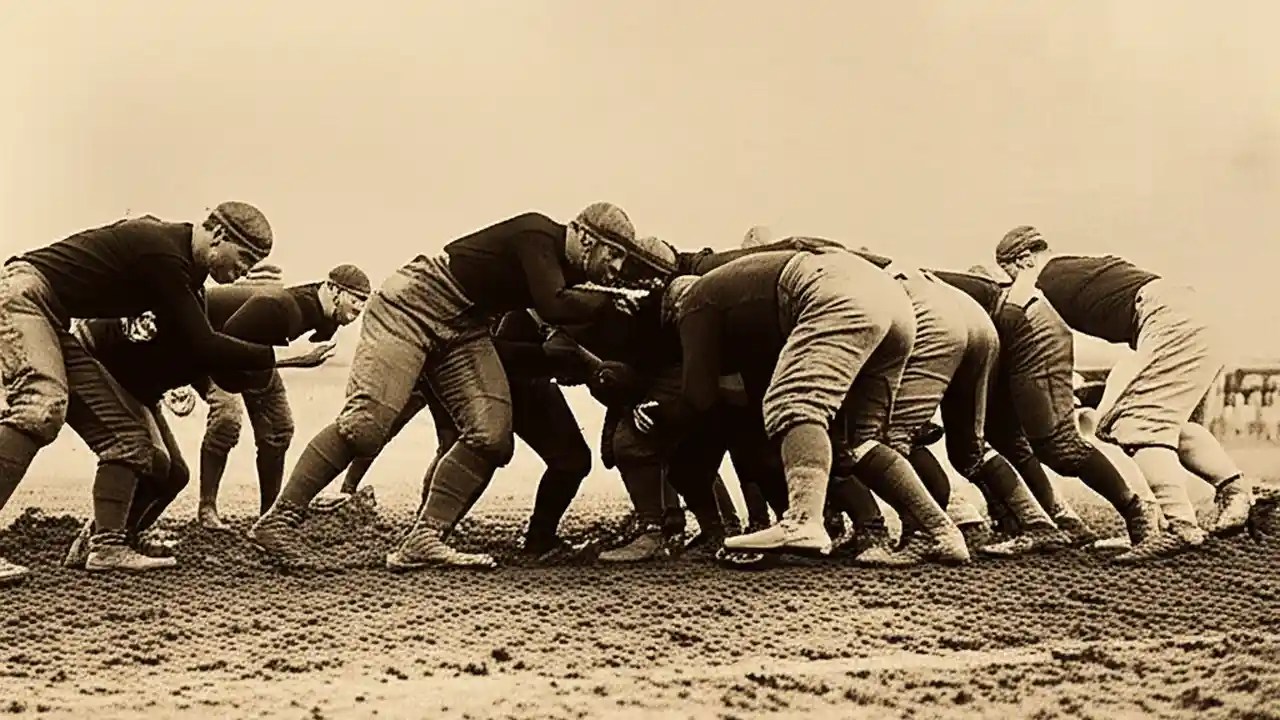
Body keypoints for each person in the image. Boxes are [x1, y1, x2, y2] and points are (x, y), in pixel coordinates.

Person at [251, 204, 640, 570]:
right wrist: (612, 302)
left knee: (491, 436)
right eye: (615, 253)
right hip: (411, 306)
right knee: (367, 424)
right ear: (586, 238)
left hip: (466, 326)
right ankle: (280, 520)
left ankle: (424, 539)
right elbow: (555, 305)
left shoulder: (573, 271)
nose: (617, 267)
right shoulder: (538, 233)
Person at [0, 204, 278, 581]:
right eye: (244, 257)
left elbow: (201, 351)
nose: (244, 270)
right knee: (41, 405)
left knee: (130, 440)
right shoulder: (164, 253)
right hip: (24, 294)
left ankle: (107, 544)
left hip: (55, 320)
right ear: (219, 236)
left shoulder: (183, 274)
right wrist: (282, 356)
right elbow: (204, 344)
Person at [640, 249, 971, 564]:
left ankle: (803, 519)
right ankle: (940, 531)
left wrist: (658, 412)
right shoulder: (739, 299)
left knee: (794, 404)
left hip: (833, 292)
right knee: (862, 439)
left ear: (674, 310)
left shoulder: (694, 302)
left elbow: (700, 397)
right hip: (895, 303)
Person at [996, 225, 1254, 562]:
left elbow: (1011, 316)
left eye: (1010, 270)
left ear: (1026, 258)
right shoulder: (1079, 266)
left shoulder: (1040, 277)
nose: (1012, 278)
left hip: (1167, 320)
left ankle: (1180, 527)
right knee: (1164, 422)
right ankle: (1234, 489)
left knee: (1135, 424)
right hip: (1193, 316)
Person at [196, 264, 371, 529]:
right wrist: (179, 382)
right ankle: (207, 507)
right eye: (354, 302)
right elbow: (221, 346)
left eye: (361, 305)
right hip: (213, 346)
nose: (356, 312)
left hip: (257, 353)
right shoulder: (287, 308)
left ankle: (269, 515)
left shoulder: (329, 311)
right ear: (334, 290)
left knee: (278, 430)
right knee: (227, 419)